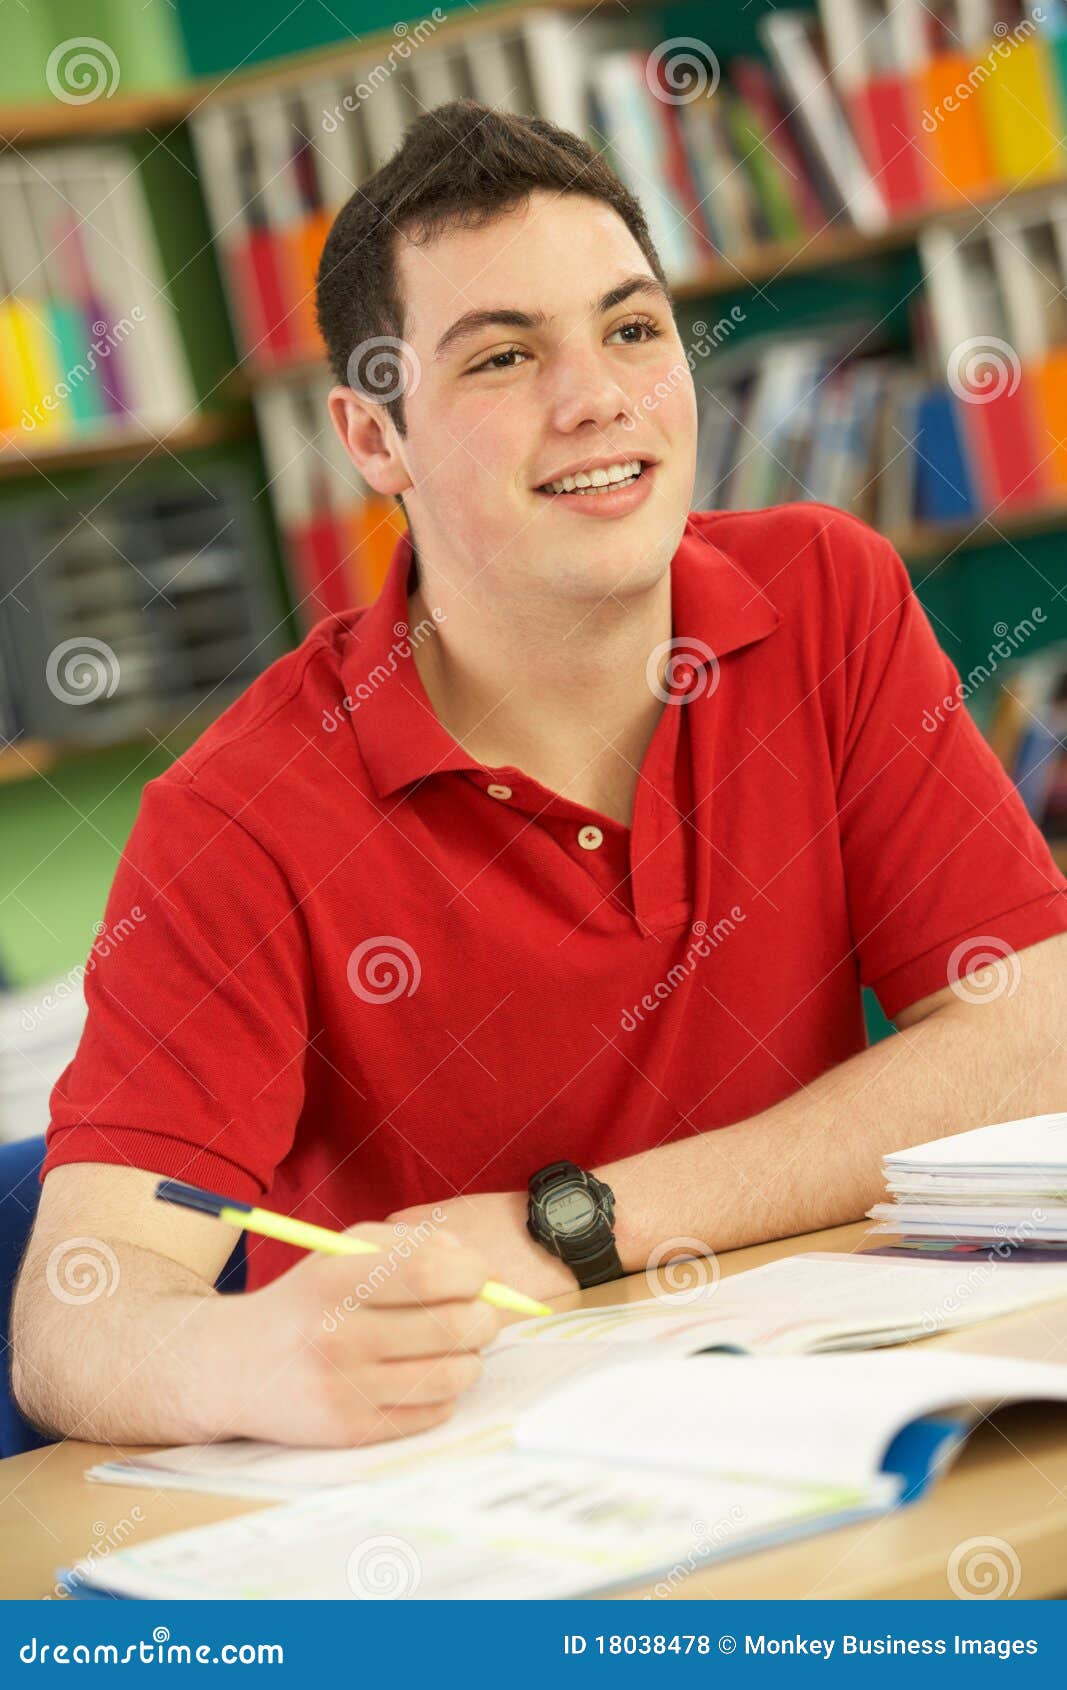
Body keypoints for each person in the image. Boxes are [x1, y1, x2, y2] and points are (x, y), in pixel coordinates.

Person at [13, 100, 1067, 1448]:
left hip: (813, 1411)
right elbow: (75, 1315)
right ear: (373, 438)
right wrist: (235, 1357)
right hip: (462, 1504)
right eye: (503, 356)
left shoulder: (824, 596)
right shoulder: (242, 812)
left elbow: (1032, 1041)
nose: (598, 398)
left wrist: (567, 1226)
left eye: (632, 328)